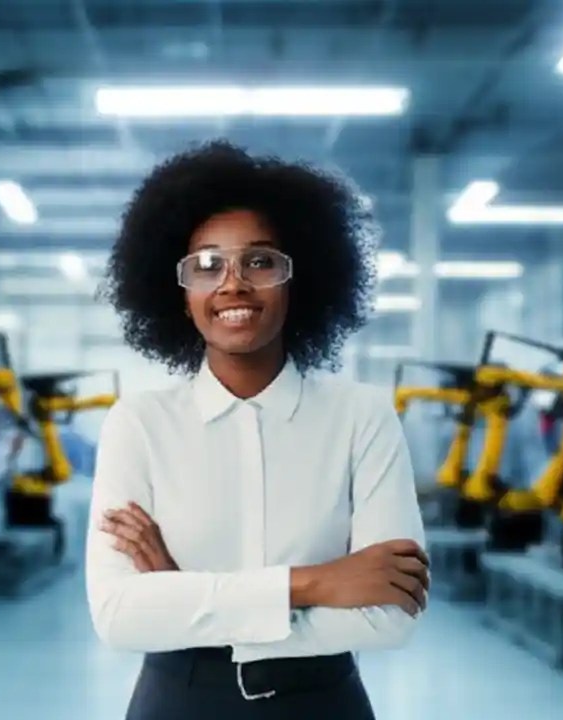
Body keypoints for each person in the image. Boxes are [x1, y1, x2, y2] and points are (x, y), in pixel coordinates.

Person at [86, 140, 430, 720]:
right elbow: (119, 615)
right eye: (206, 265)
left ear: (300, 280)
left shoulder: (362, 417)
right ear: (181, 291)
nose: (233, 284)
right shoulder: (139, 425)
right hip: (178, 703)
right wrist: (316, 583)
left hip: (325, 706)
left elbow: (389, 615)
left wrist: (184, 598)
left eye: (261, 261)